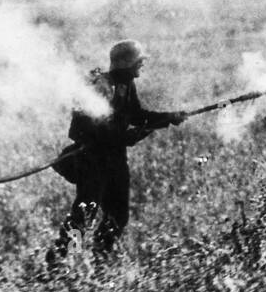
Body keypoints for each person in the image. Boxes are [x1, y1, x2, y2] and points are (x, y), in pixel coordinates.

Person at [49, 39, 186, 264]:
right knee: (84, 215)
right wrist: (133, 134)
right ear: (126, 62)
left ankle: (101, 258)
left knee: (118, 215)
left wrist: (168, 117)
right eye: (139, 61)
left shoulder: (127, 85)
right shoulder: (101, 87)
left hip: (115, 159)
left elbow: (137, 114)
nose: (142, 64)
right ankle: (62, 260)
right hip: (92, 159)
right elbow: (93, 130)